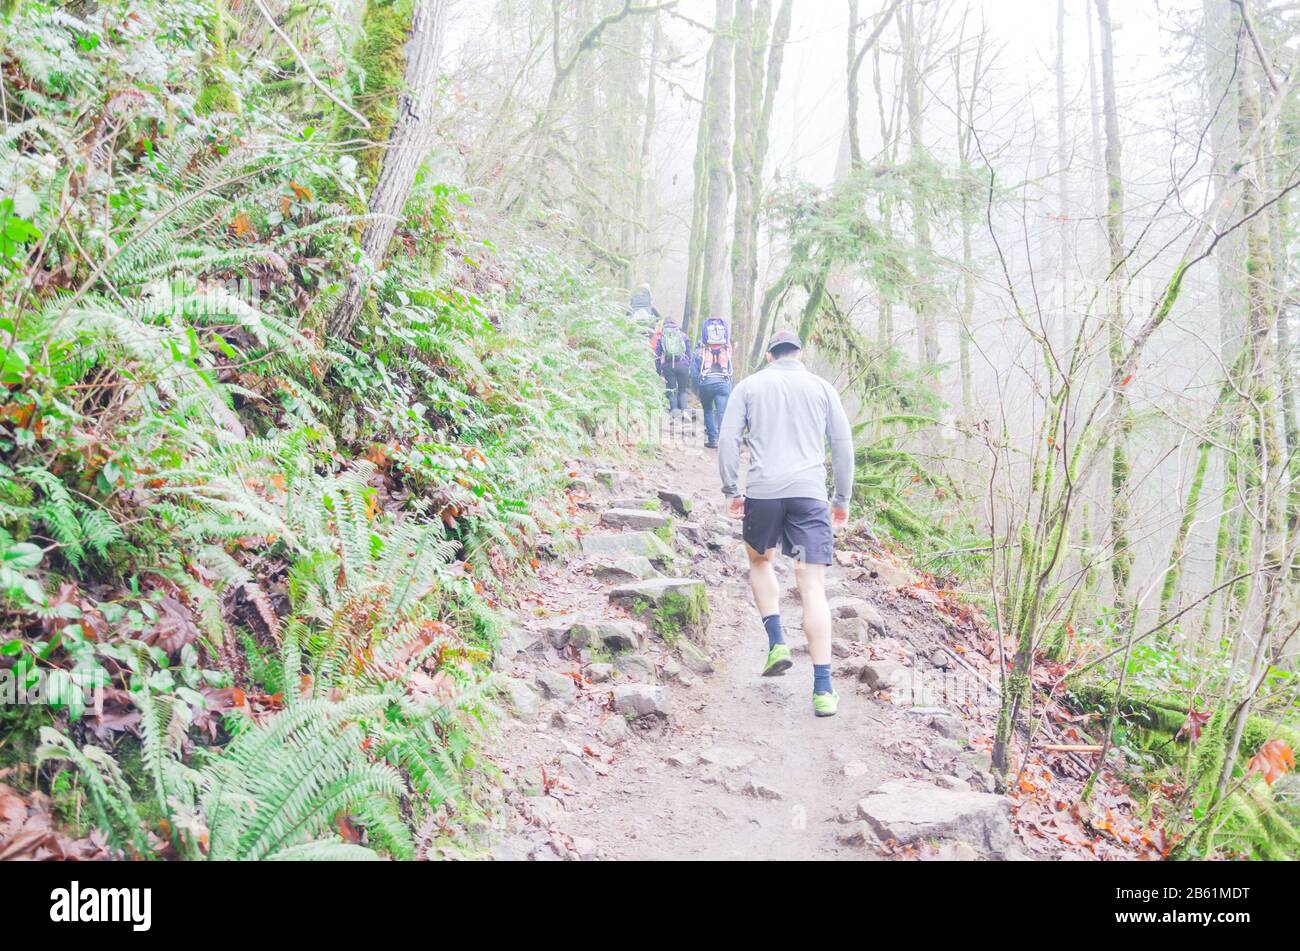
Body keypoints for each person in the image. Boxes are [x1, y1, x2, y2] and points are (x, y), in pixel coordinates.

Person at [717, 330, 855, 717]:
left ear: (769, 355)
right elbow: (842, 445)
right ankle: (823, 689)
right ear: (801, 353)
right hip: (809, 493)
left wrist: (732, 488)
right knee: (812, 586)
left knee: (760, 561)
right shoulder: (822, 388)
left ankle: (776, 641)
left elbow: (728, 439)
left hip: (762, 492)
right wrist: (841, 498)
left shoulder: (749, 386)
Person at [693, 316, 733, 450]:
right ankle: (724, 441)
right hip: (723, 383)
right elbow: (730, 368)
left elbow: (694, 371)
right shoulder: (726, 350)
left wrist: (696, 388)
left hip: (707, 383)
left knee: (708, 410)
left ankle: (713, 439)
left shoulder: (701, 350)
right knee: (722, 412)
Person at [655, 318, 693, 424]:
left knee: (672, 391)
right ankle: (686, 416)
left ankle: (676, 417)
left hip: (668, 366)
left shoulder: (662, 337)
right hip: (682, 365)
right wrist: (687, 365)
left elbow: (657, 356)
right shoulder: (683, 335)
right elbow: (689, 353)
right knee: (682, 390)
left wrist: (658, 371)